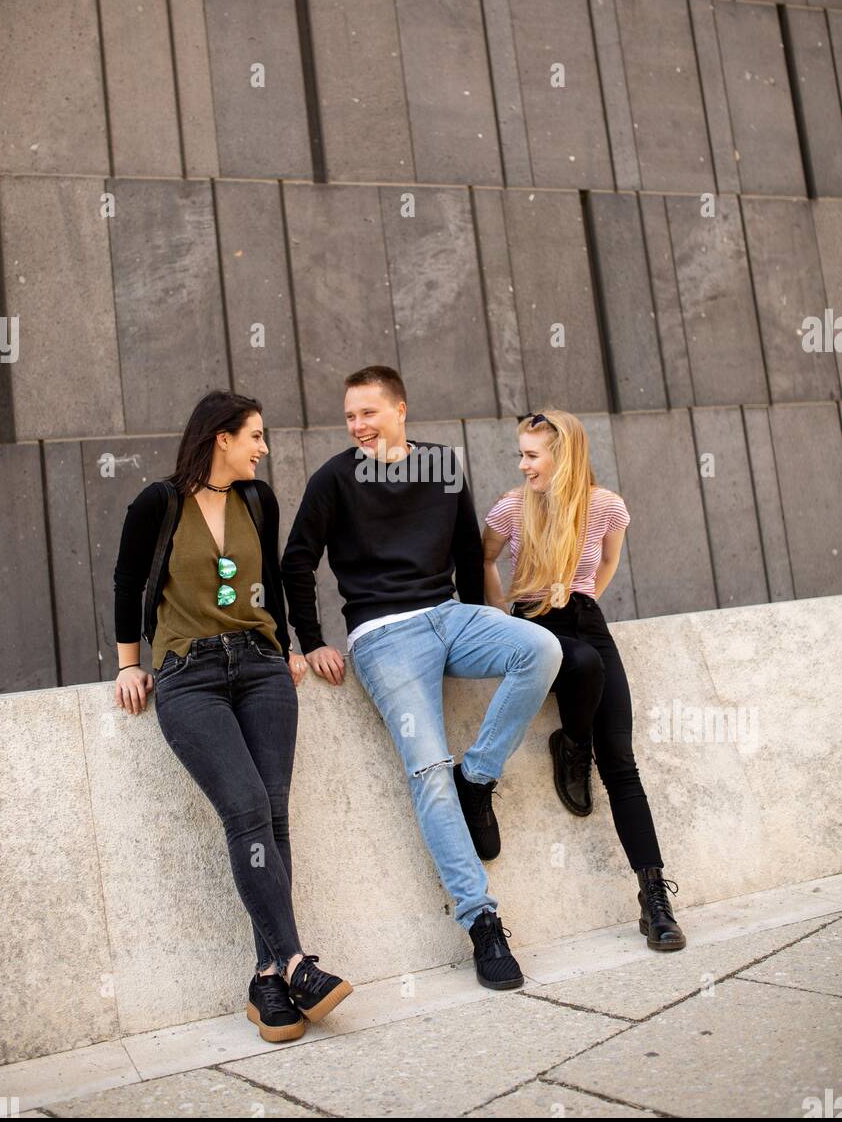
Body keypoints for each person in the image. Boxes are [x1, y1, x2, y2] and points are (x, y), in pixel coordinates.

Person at [280, 366, 563, 991]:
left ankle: (480, 775)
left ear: (400, 410)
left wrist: (482, 623)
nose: (357, 426)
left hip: (450, 615)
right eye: (349, 416)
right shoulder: (335, 477)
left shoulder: (440, 465)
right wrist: (312, 641)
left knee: (540, 649)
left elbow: (467, 548)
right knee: (427, 773)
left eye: (368, 413)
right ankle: (483, 923)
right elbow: (297, 561)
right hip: (383, 637)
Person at [112, 389, 353, 1041]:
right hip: (189, 675)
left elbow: (269, 583)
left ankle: (268, 978)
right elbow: (127, 581)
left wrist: (289, 647)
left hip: (261, 668)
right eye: (254, 436)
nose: (263, 447)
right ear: (221, 438)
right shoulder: (157, 504)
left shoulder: (257, 500)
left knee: (272, 818)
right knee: (245, 809)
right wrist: (128, 663)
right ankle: (299, 961)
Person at [482, 409, 686, 952]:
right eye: (521, 454)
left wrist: (581, 595)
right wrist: (502, 612)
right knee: (585, 667)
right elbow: (483, 559)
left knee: (619, 756)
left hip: (585, 619)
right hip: (534, 626)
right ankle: (572, 741)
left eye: (532, 454)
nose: (523, 465)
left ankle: (654, 899)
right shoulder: (510, 508)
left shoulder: (605, 506)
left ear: (563, 454)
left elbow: (608, 564)